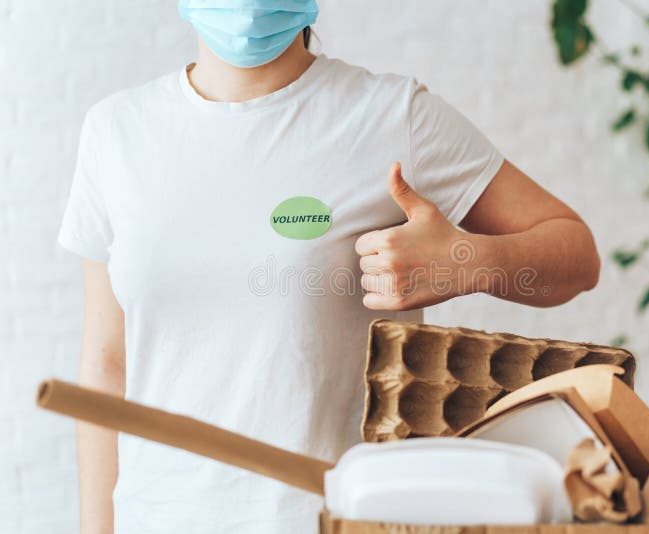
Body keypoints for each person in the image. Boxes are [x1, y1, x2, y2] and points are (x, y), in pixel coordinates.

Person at [58, 1, 601, 532]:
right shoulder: (115, 131)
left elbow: (576, 255)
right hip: (154, 519)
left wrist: (468, 261)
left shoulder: (394, 116)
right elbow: (107, 364)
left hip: (335, 519)